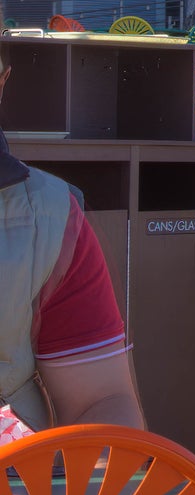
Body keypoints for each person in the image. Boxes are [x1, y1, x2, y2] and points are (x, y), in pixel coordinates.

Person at [0, 51, 138, 430]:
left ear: (1, 80)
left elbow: (102, 403)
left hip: (17, 481)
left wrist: (98, 477)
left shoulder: (50, 219)